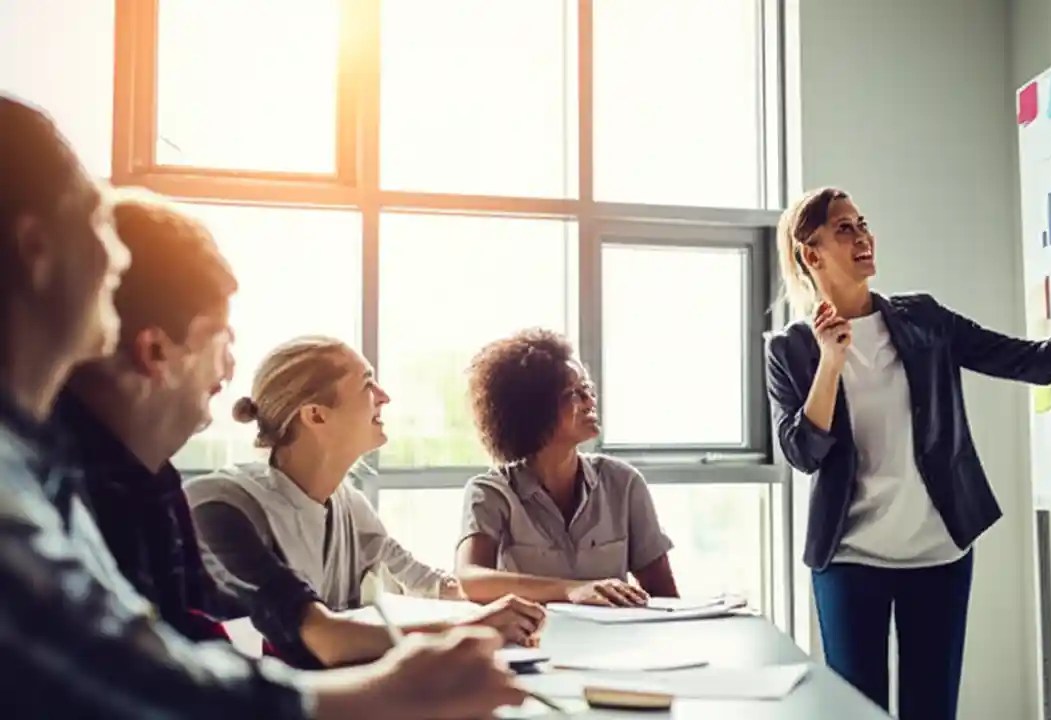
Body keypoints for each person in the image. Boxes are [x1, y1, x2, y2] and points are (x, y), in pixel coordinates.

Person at [0, 95, 524, 719]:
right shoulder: (82, 483)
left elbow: (175, 649)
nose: (115, 256)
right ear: (36, 249)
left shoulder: (90, 473)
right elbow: (119, 676)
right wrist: (387, 695)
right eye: (93, 223)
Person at [766, 187, 1051, 719]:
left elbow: (1020, 357)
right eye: (845, 228)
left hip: (938, 554)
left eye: (864, 223)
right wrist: (831, 362)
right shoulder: (789, 349)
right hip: (849, 559)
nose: (863, 236)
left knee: (933, 710)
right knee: (855, 712)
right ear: (813, 253)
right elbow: (802, 452)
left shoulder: (924, 318)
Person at [187, 335, 546, 668]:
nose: (384, 396)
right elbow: (325, 640)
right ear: (315, 415)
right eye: (366, 384)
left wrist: (528, 607)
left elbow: (429, 583)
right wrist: (477, 628)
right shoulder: (221, 509)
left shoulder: (347, 504)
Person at [52, 189, 247, 642]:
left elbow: (207, 624)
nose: (230, 369)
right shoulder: (64, 493)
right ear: (156, 350)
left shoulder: (151, 479)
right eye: (220, 339)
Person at [454, 328, 678, 606]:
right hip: (532, 644)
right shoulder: (491, 492)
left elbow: (666, 596)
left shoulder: (623, 483)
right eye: (574, 393)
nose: (589, 401)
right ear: (534, 409)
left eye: (588, 389)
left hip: (618, 645)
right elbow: (470, 580)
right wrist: (572, 590)